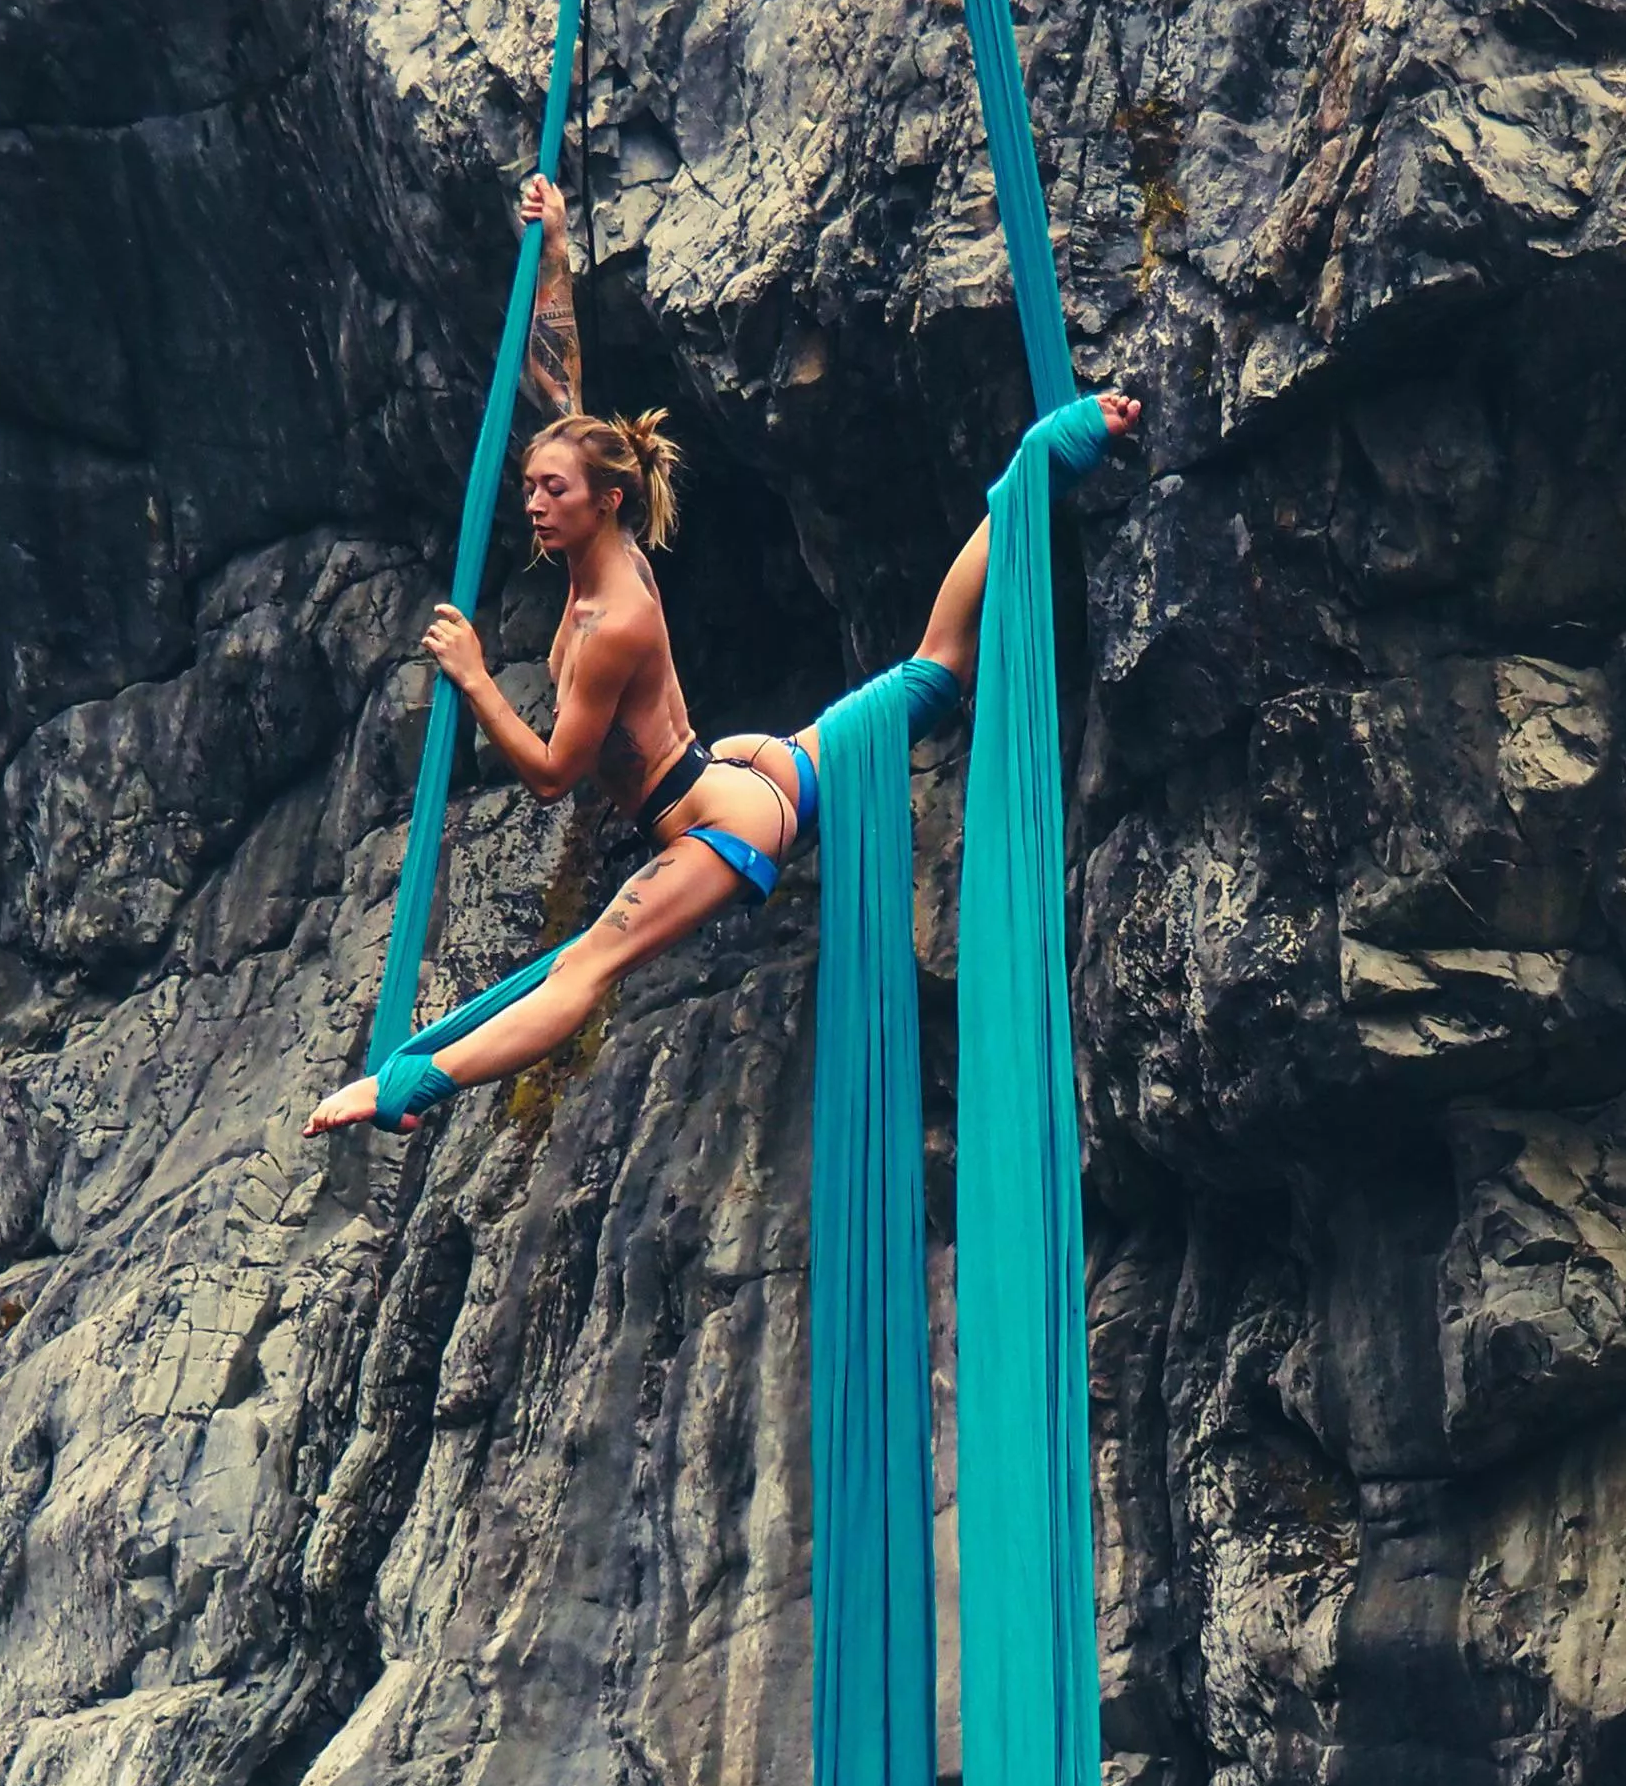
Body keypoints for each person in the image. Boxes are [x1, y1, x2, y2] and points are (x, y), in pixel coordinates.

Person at [308, 175, 1141, 1134]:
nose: (533, 502)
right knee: (934, 674)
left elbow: (548, 774)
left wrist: (474, 675)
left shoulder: (612, 616)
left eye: (550, 491)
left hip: (722, 821)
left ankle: (402, 1089)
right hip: (743, 767)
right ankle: (1042, 468)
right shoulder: (597, 538)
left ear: (602, 501)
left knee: (586, 968)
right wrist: (558, 252)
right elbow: (560, 387)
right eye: (530, 486)